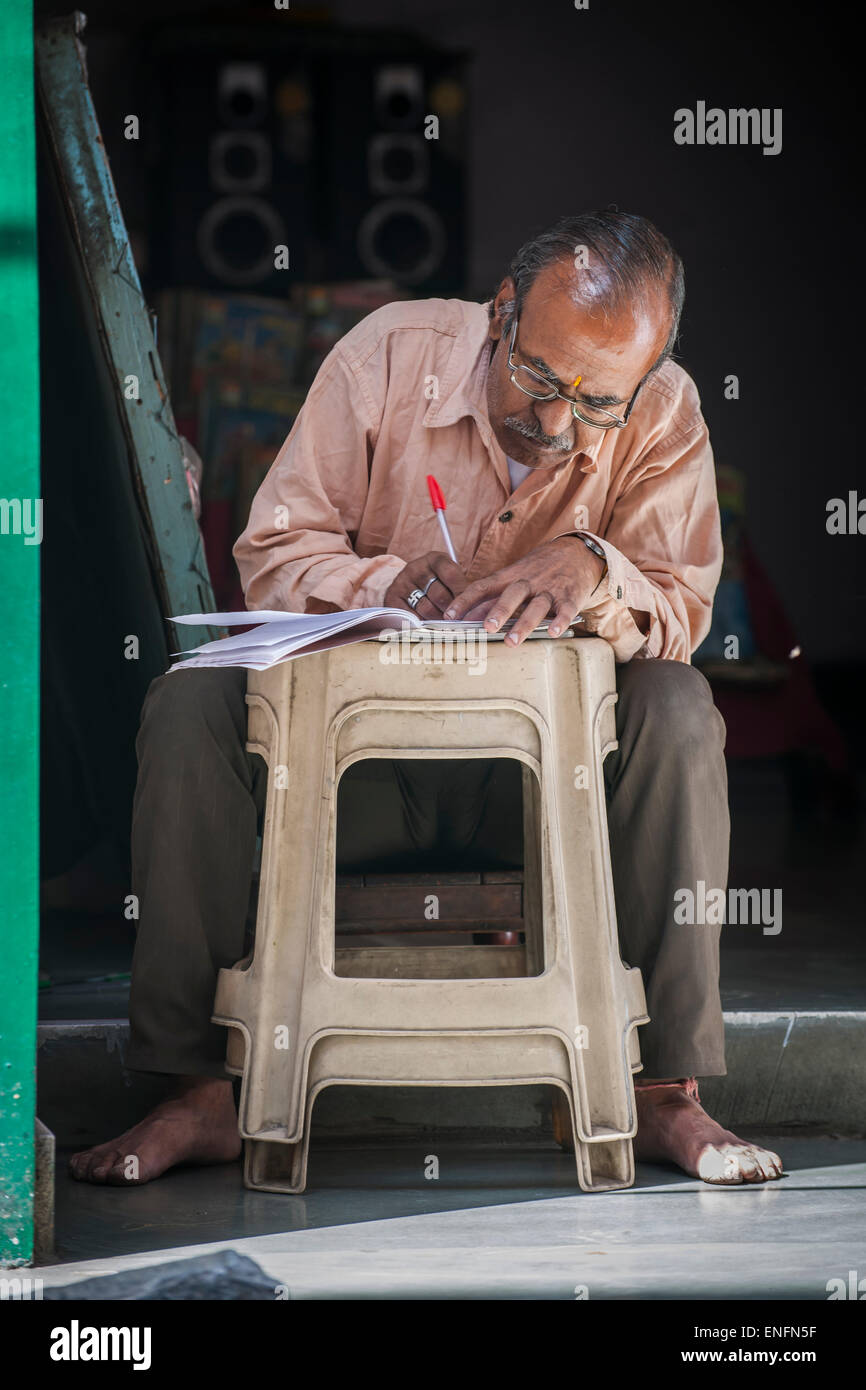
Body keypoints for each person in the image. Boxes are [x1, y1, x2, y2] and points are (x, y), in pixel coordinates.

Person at [70, 211, 782, 1188]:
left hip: (545, 797)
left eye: (596, 401)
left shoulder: (662, 412)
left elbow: (682, 610)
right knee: (191, 706)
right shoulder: (387, 358)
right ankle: (200, 1089)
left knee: (675, 705)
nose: (557, 421)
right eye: (539, 379)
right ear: (499, 314)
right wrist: (378, 584)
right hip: (349, 785)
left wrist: (593, 568)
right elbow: (270, 555)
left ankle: (666, 1091)